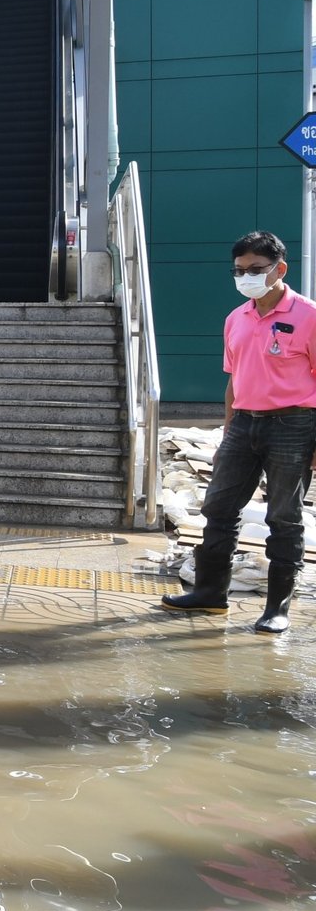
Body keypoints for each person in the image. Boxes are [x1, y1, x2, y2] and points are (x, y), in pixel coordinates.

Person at [163, 230, 316, 633]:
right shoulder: (236, 318)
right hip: (243, 423)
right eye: (238, 270)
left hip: (294, 423)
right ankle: (211, 594)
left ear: (279, 269)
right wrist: (228, 432)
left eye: (255, 269)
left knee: (284, 517)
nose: (245, 276)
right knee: (218, 507)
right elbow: (232, 381)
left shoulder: (308, 315)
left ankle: (277, 609)